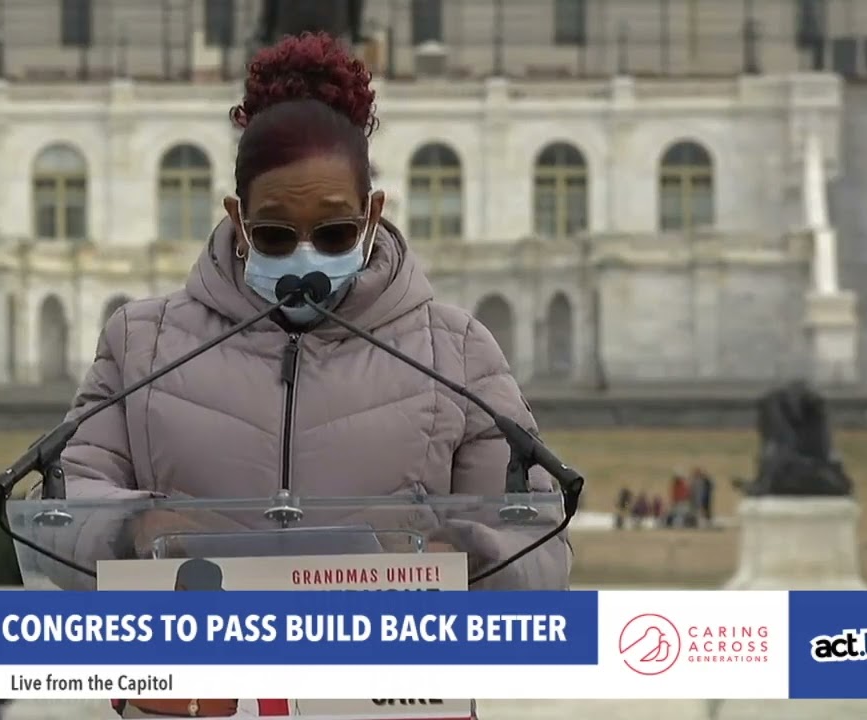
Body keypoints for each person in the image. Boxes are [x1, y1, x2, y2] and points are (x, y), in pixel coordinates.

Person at [45, 32, 569, 595]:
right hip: (194, 673)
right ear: (238, 220)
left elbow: (539, 538)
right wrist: (132, 526)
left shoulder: (458, 351)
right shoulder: (139, 344)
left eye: (334, 231)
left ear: (372, 216)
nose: (305, 255)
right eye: (275, 234)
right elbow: (61, 502)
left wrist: (467, 555)